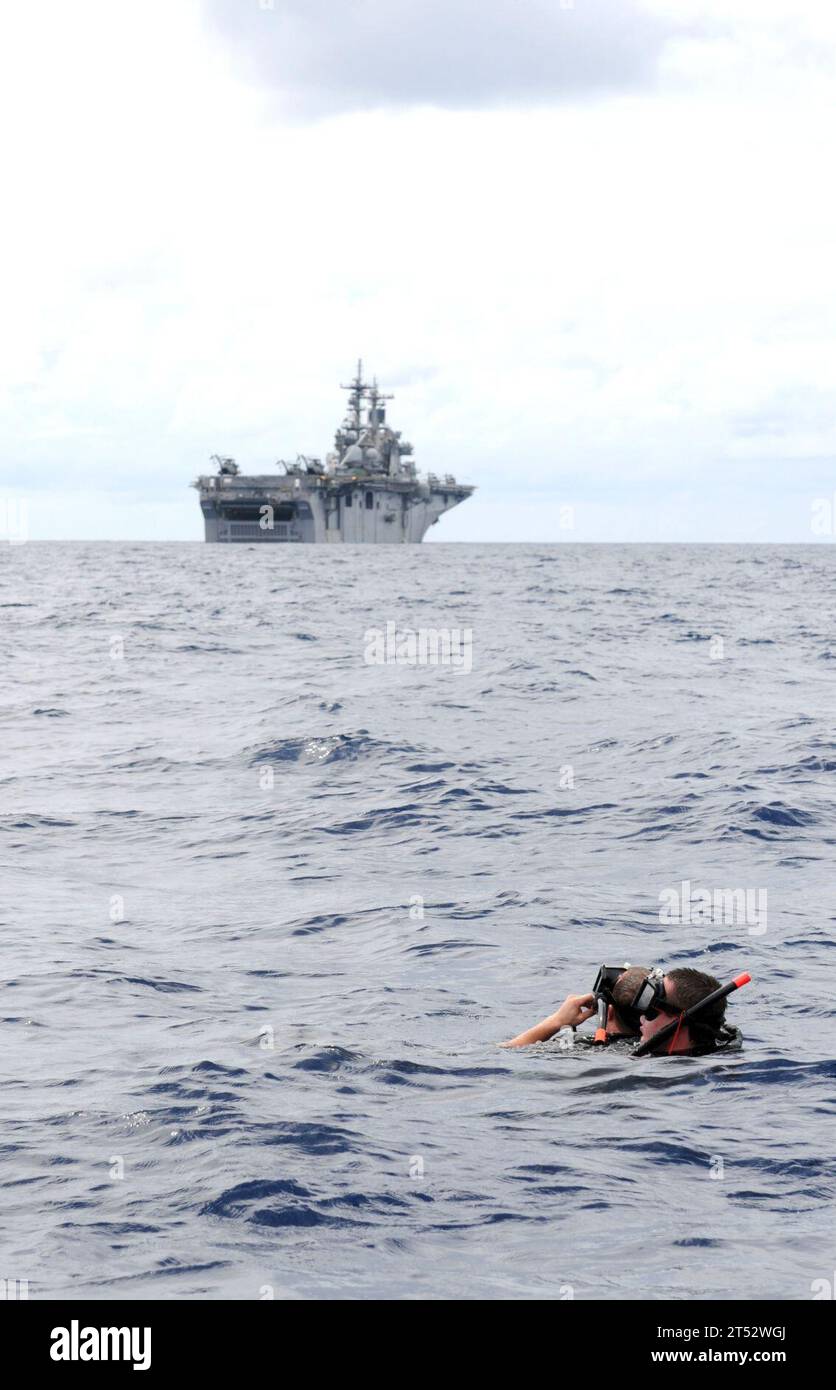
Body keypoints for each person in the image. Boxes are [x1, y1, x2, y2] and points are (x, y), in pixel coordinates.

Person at [500, 964, 650, 1048]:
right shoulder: (659, 1046)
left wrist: (556, 1021)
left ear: (608, 1012)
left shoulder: (577, 1045)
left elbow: (505, 1050)